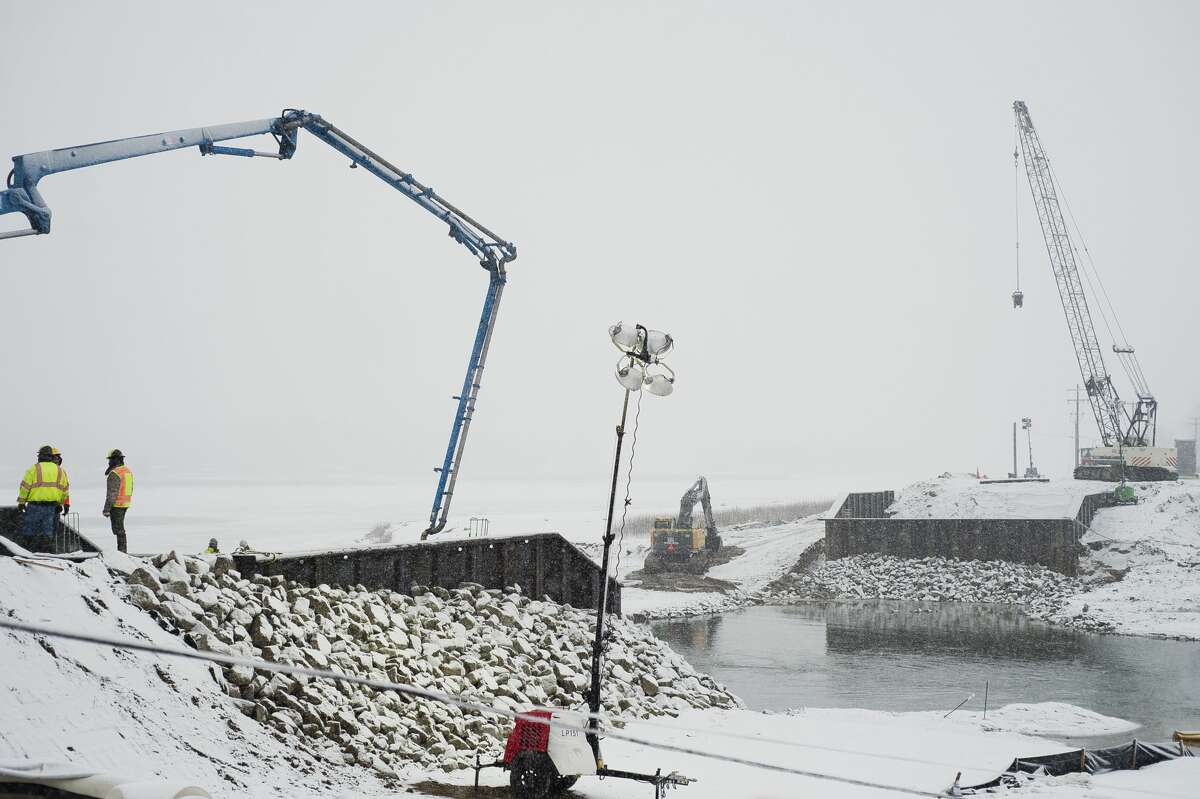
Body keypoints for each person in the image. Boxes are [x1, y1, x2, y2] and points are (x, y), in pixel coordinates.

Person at [16, 445, 70, 548]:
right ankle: (46, 551)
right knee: (47, 531)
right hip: (51, 507)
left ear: (40, 456)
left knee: (30, 529)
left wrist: (21, 503)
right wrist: (60, 504)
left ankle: (28, 549)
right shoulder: (60, 471)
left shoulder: (33, 469)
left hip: (34, 506)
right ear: (51, 456)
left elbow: (24, 487)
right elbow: (64, 490)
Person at [103, 448, 134, 553]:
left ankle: (122, 552)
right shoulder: (127, 471)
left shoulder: (115, 473)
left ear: (115, 460)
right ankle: (122, 551)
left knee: (118, 530)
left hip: (117, 505)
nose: (109, 462)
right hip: (125, 504)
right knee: (120, 530)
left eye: (110, 460)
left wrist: (106, 509)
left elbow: (112, 493)